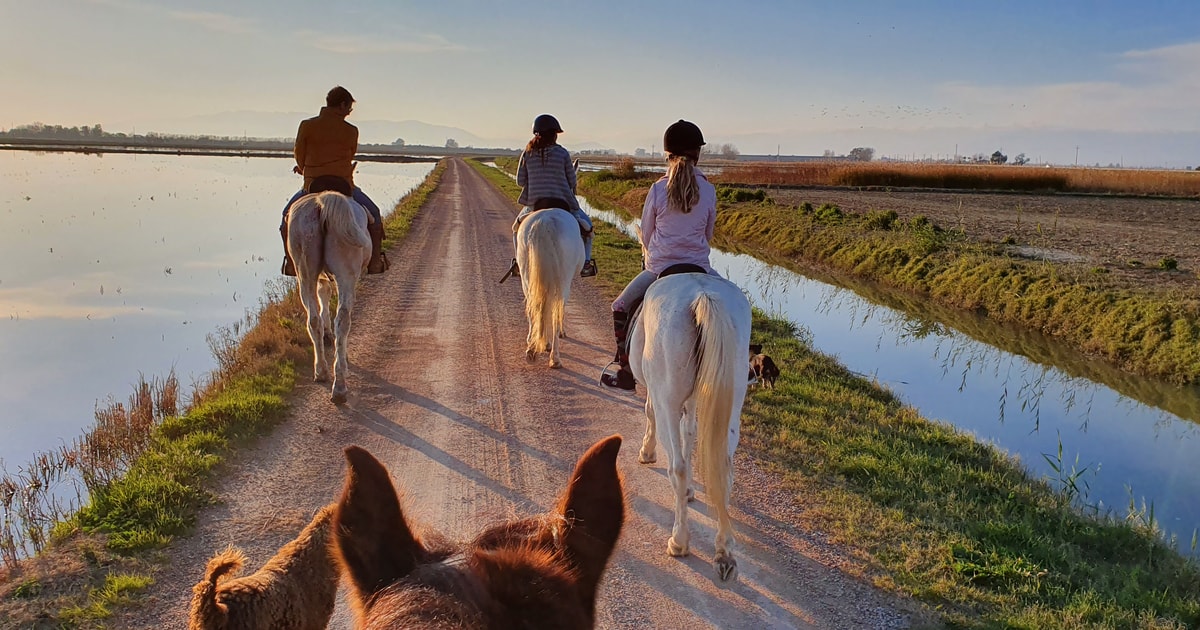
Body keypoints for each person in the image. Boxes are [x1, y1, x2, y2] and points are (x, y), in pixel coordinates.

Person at [600, 120, 720, 390]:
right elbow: (708, 234)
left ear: (668, 154)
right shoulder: (709, 190)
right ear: (697, 154)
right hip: (700, 268)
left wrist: (656, 255)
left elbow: (647, 233)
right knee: (734, 305)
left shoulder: (657, 189)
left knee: (619, 306)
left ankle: (626, 371)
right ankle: (742, 365)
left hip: (660, 269)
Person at [280, 86, 387, 276]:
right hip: (344, 186)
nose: (348, 113)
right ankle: (375, 262)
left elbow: (299, 153)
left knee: (286, 217)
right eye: (349, 109)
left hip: (313, 185)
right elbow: (349, 154)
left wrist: (303, 167)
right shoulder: (351, 131)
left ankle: (290, 263)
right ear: (342, 105)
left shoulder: (307, 125)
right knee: (375, 215)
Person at [507, 114, 597, 278]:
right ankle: (586, 264)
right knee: (588, 229)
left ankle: (519, 264)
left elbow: (520, 181)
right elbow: (571, 180)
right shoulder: (562, 153)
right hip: (563, 202)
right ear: (555, 134)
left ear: (536, 133)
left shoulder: (527, 154)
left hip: (534, 204)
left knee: (516, 230)